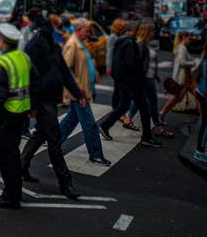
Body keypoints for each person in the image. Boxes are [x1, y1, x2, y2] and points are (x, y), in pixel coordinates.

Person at [20, 14, 85, 198]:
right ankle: (65, 183)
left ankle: (21, 167)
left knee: (40, 135)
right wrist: (31, 104)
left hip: (48, 99)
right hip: (43, 99)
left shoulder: (52, 47)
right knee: (54, 142)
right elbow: (30, 77)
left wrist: (77, 93)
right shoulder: (36, 47)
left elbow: (64, 72)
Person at [0, 23, 37, 210]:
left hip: (5, 116)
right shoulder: (24, 58)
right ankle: (15, 192)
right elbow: (36, 82)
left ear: (3, 42)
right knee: (13, 152)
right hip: (21, 113)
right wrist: (33, 107)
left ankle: (10, 196)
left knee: (6, 157)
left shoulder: (1, 64)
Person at [98, 20, 161, 147]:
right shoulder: (130, 42)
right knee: (144, 108)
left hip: (124, 82)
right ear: (134, 30)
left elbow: (118, 63)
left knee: (123, 106)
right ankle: (146, 137)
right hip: (132, 83)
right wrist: (139, 80)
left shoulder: (121, 40)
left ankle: (105, 125)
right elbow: (131, 64)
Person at [60, 18, 111, 165]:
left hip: (82, 91)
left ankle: (54, 143)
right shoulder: (72, 44)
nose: (89, 33)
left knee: (70, 120)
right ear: (78, 29)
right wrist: (77, 88)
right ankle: (95, 154)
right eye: (87, 30)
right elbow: (66, 69)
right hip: (78, 93)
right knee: (90, 124)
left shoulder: (80, 43)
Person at [123, 20, 173, 138]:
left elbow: (147, 62)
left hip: (149, 78)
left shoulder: (146, 44)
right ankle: (158, 127)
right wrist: (140, 79)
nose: (153, 33)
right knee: (152, 103)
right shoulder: (141, 45)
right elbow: (138, 64)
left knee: (140, 101)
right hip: (145, 79)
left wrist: (155, 74)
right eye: (152, 31)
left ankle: (128, 119)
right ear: (147, 32)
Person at [160, 31, 198, 121]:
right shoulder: (182, 48)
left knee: (197, 96)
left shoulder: (182, 47)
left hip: (188, 78)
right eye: (189, 38)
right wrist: (194, 62)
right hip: (184, 78)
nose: (190, 40)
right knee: (178, 98)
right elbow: (182, 62)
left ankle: (162, 113)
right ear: (184, 38)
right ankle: (162, 113)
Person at [194, 37, 207, 162]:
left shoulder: (204, 59)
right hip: (204, 93)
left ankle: (201, 149)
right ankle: (200, 151)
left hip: (201, 91)